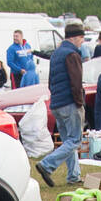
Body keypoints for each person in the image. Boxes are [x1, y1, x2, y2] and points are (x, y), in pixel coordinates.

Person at [34, 23, 86, 187]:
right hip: (70, 103)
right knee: (75, 140)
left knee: (67, 142)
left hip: (56, 103)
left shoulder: (56, 54)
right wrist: (79, 102)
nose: (82, 42)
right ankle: (46, 165)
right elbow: (76, 82)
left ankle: (74, 176)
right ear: (76, 37)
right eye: (82, 38)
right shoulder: (72, 54)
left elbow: (51, 81)